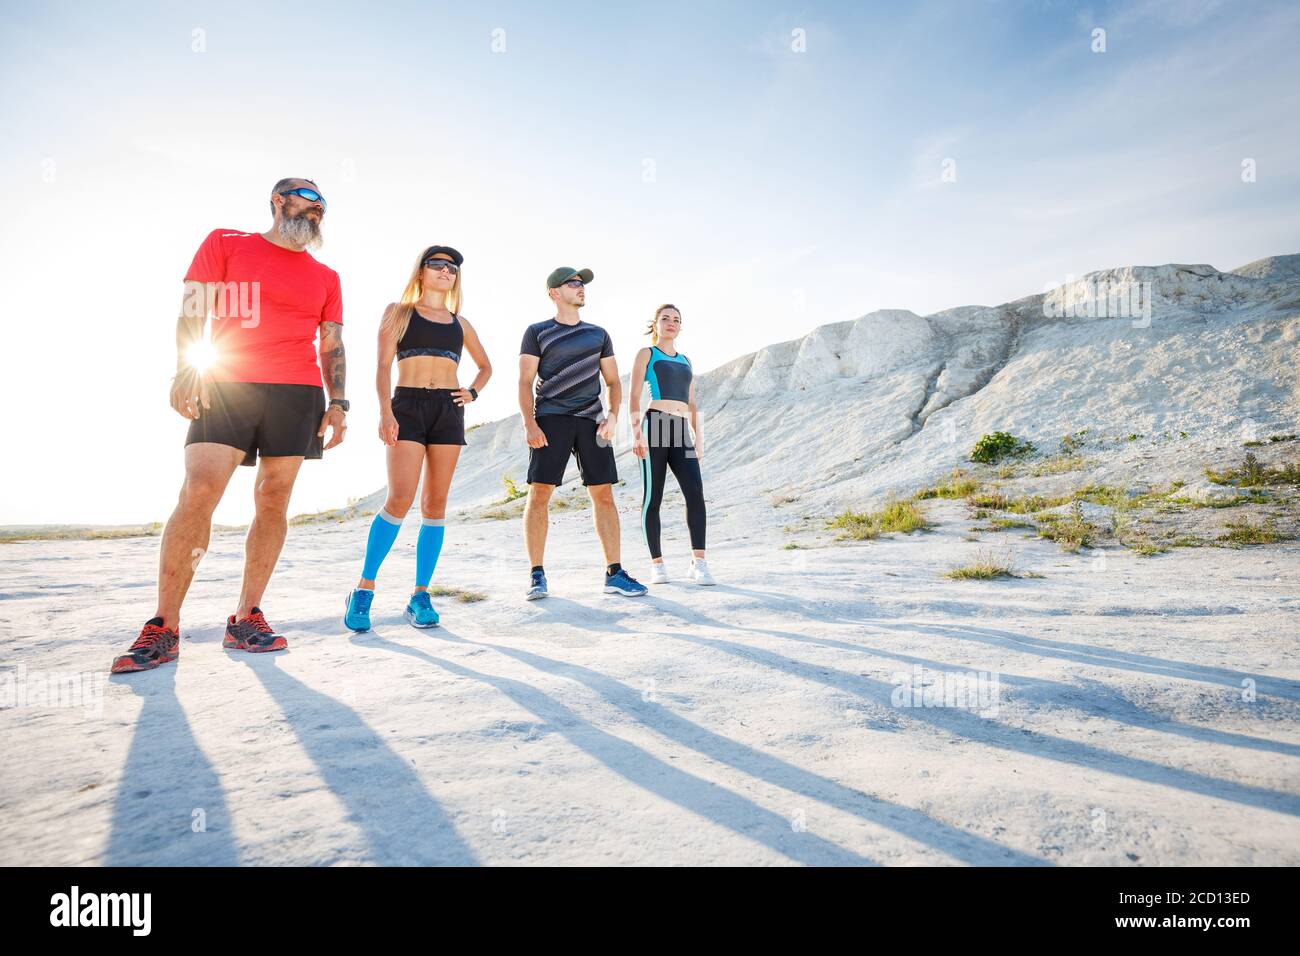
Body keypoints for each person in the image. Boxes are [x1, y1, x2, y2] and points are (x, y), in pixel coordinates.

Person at [111, 178, 348, 673]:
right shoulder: (226, 243)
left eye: (322, 207)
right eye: (306, 199)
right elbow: (193, 310)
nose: (315, 210)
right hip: (227, 381)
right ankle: (164, 626)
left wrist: (339, 402)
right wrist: (185, 368)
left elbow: (331, 345)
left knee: (274, 496)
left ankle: (246, 617)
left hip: (298, 390)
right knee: (199, 491)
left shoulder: (327, 276)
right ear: (278, 200)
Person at [343, 246, 491, 631]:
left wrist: (472, 392)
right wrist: (385, 411)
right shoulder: (398, 312)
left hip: (448, 410)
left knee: (436, 503)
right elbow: (381, 365)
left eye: (452, 267)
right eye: (438, 265)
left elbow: (486, 366)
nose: (446, 271)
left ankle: (420, 594)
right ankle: (364, 588)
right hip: (407, 405)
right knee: (399, 498)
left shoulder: (461, 323)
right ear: (421, 271)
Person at [518, 267, 646, 599]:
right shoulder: (537, 332)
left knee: (603, 495)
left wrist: (613, 416)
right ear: (554, 292)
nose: (580, 288)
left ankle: (614, 573)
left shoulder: (599, 334)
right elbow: (524, 381)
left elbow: (614, 382)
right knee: (540, 493)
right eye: (573, 283)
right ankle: (536, 575)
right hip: (550, 419)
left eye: (582, 284)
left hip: (592, 421)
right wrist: (530, 423)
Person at [630, 304, 713, 585]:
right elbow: (633, 396)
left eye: (676, 319)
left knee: (695, 494)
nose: (671, 323)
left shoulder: (686, 360)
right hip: (655, 425)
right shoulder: (647, 354)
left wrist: (698, 438)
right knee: (653, 497)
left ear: (680, 326)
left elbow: (691, 402)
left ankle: (698, 562)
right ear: (655, 324)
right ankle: (657, 565)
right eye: (665, 318)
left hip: (680, 430)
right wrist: (636, 433)